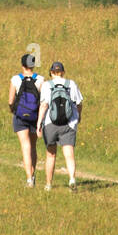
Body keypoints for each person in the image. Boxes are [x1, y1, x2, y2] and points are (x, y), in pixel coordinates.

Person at [36, 60, 83, 191]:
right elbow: (78, 103)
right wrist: (78, 116)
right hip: (69, 123)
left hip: (50, 123)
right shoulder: (71, 84)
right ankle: (72, 179)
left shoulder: (46, 85)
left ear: (51, 72)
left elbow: (44, 105)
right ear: (63, 72)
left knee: (51, 155)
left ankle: (48, 184)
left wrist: (39, 122)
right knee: (69, 154)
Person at [8, 53, 43, 187]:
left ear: (22, 65)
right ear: (33, 65)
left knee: (25, 146)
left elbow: (11, 100)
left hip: (20, 116)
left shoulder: (15, 79)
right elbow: (44, 100)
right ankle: (33, 175)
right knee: (33, 147)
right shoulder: (40, 79)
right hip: (35, 116)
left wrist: (13, 110)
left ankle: (29, 179)